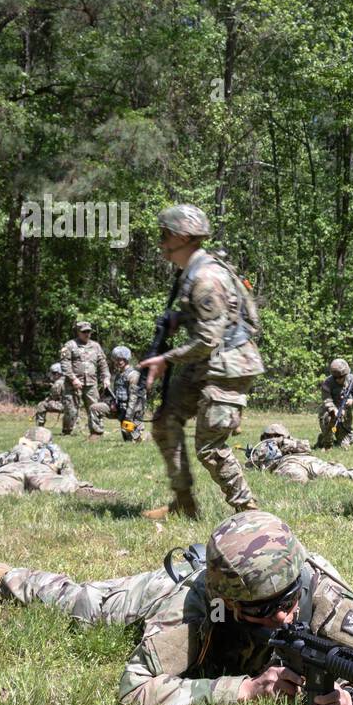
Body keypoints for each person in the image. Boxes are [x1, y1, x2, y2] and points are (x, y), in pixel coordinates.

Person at [0, 511, 353, 705]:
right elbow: (134, 688)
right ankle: (1, 578)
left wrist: (349, 697)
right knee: (83, 603)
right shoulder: (194, 606)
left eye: (287, 597)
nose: (284, 614)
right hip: (156, 594)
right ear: (231, 601)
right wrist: (241, 689)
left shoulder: (317, 587)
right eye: (263, 608)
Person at [139, 204, 264, 520]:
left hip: (228, 366)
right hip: (207, 362)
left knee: (210, 446)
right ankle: (184, 505)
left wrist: (166, 359)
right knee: (165, 422)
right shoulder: (193, 270)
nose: (161, 243)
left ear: (181, 236)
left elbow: (209, 339)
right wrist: (178, 318)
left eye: (164, 235)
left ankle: (250, 514)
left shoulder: (206, 277)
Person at [246, 423, 353, 487]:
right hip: (297, 463)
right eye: (271, 436)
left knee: (333, 473)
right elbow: (252, 463)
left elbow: (306, 446)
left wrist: (283, 443)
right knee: (302, 479)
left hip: (300, 462)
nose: (272, 438)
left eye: (276, 435)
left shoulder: (289, 442)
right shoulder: (262, 448)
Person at [60, 320, 111, 438]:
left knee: (95, 407)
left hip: (91, 383)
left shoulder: (96, 346)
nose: (87, 334)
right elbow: (65, 364)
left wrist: (106, 378)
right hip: (73, 383)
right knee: (71, 409)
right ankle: (67, 432)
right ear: (78, 332)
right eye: (84, 332)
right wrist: (73, 379)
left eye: (89, 332)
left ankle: (96, 431)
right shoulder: (70, 345)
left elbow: (103, 364)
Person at [316, 359, 353, 449]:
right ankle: (325, 441)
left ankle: (335, 438)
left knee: (348, 441)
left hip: (345, 416)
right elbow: (327, 400)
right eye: (335, 378)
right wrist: (334, 410)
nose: (338, 380)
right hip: (329, 413)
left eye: (341, 377)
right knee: (329, 428)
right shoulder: (327, 383)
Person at [105, 346, 147, 441]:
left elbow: (134, 399)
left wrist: (128, 416)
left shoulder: (133, 375)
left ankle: (140, 435)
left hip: (132, 411)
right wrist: (113, 403)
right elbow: (116, 393)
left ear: (126, 359)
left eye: (121, 359)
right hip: (120, 408)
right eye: (117, 359)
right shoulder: (119, 375)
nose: (119, 362)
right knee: (95, 408)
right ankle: (95, 436)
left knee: (131, 440)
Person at [34, 363, 68, 429]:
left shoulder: (58, 383)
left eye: (53, 373)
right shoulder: (69, 380)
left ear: (57, 373)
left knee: (41, 405)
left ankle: (40, 426)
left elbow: (53, 396)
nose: (52, 375)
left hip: (63, 405)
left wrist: (47, 398)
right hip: (73, 405)